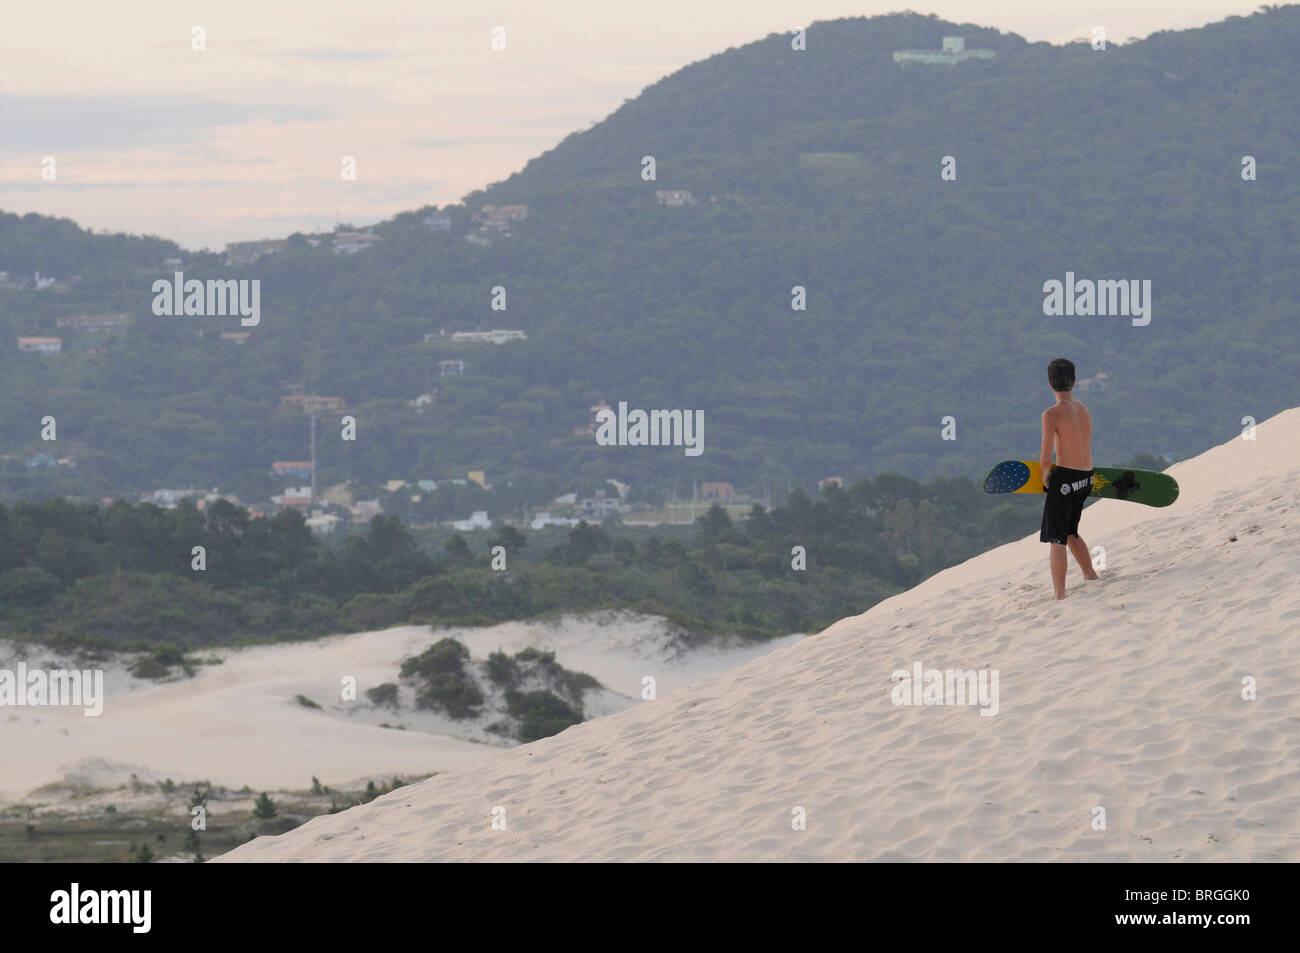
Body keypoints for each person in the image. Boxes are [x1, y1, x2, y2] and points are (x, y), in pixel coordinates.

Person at [1039, 358, 1099, 599]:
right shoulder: (1083, 408)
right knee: (1071, 531)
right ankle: (1090, 575)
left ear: (1049, 384)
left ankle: (1059, 593)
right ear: (1073, 382)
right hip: (1087, 476)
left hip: (1065, 478)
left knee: (1056, 538)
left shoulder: (1050, 414)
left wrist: (1045, 476)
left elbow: (1045, 455)